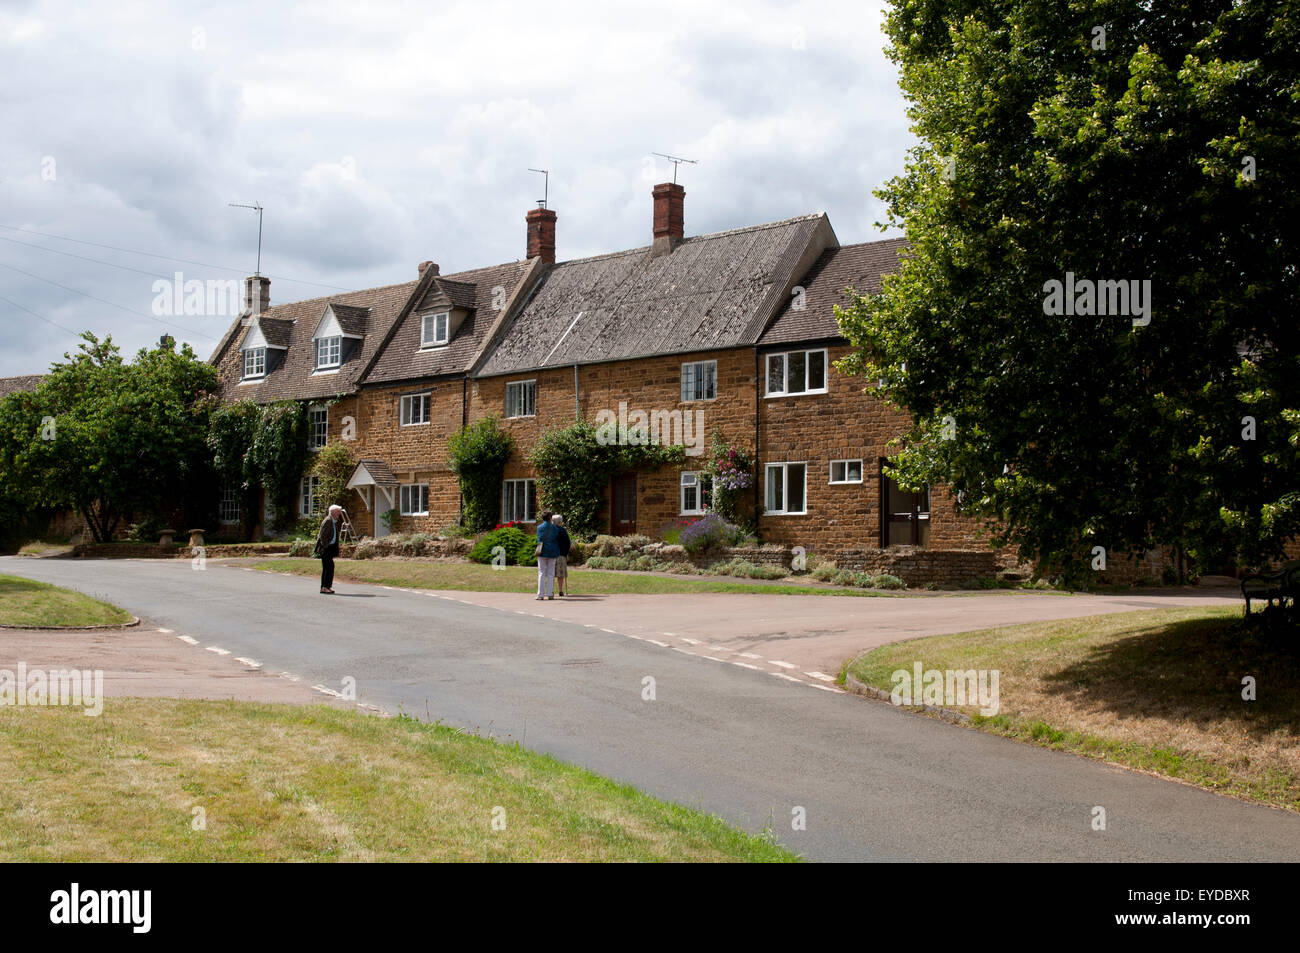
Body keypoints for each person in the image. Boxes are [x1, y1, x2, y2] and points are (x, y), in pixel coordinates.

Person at [315, 504, 347, 594]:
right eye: (338, 512)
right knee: (328, 567)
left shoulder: (332, 521)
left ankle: (326, 586)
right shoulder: (328, 521)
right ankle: (325, 587)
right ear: (333, 512)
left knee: (329, 567)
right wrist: (326, 546)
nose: (339, 514)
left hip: (330, 547)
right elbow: (322, 535)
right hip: (326, 548)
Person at [535, 511, 560, 600]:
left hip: (542, 551)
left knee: (541, 573)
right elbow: (557, 538)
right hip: (552, 551)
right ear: (550, 517)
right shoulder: (555, 528)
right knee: (551, 573)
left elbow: (539, 538)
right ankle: (550, 594)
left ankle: (540, 595)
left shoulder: (539, 527)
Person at [552, 514, 571, 597]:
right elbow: (568, 543)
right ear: (560, 522)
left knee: (550, 574)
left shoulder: (550, 530)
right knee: (561, 574)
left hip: (551, 554)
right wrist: (565, 553)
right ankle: (560, 590)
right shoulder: (562, 530)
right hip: (561, 554)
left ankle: (550, 590)